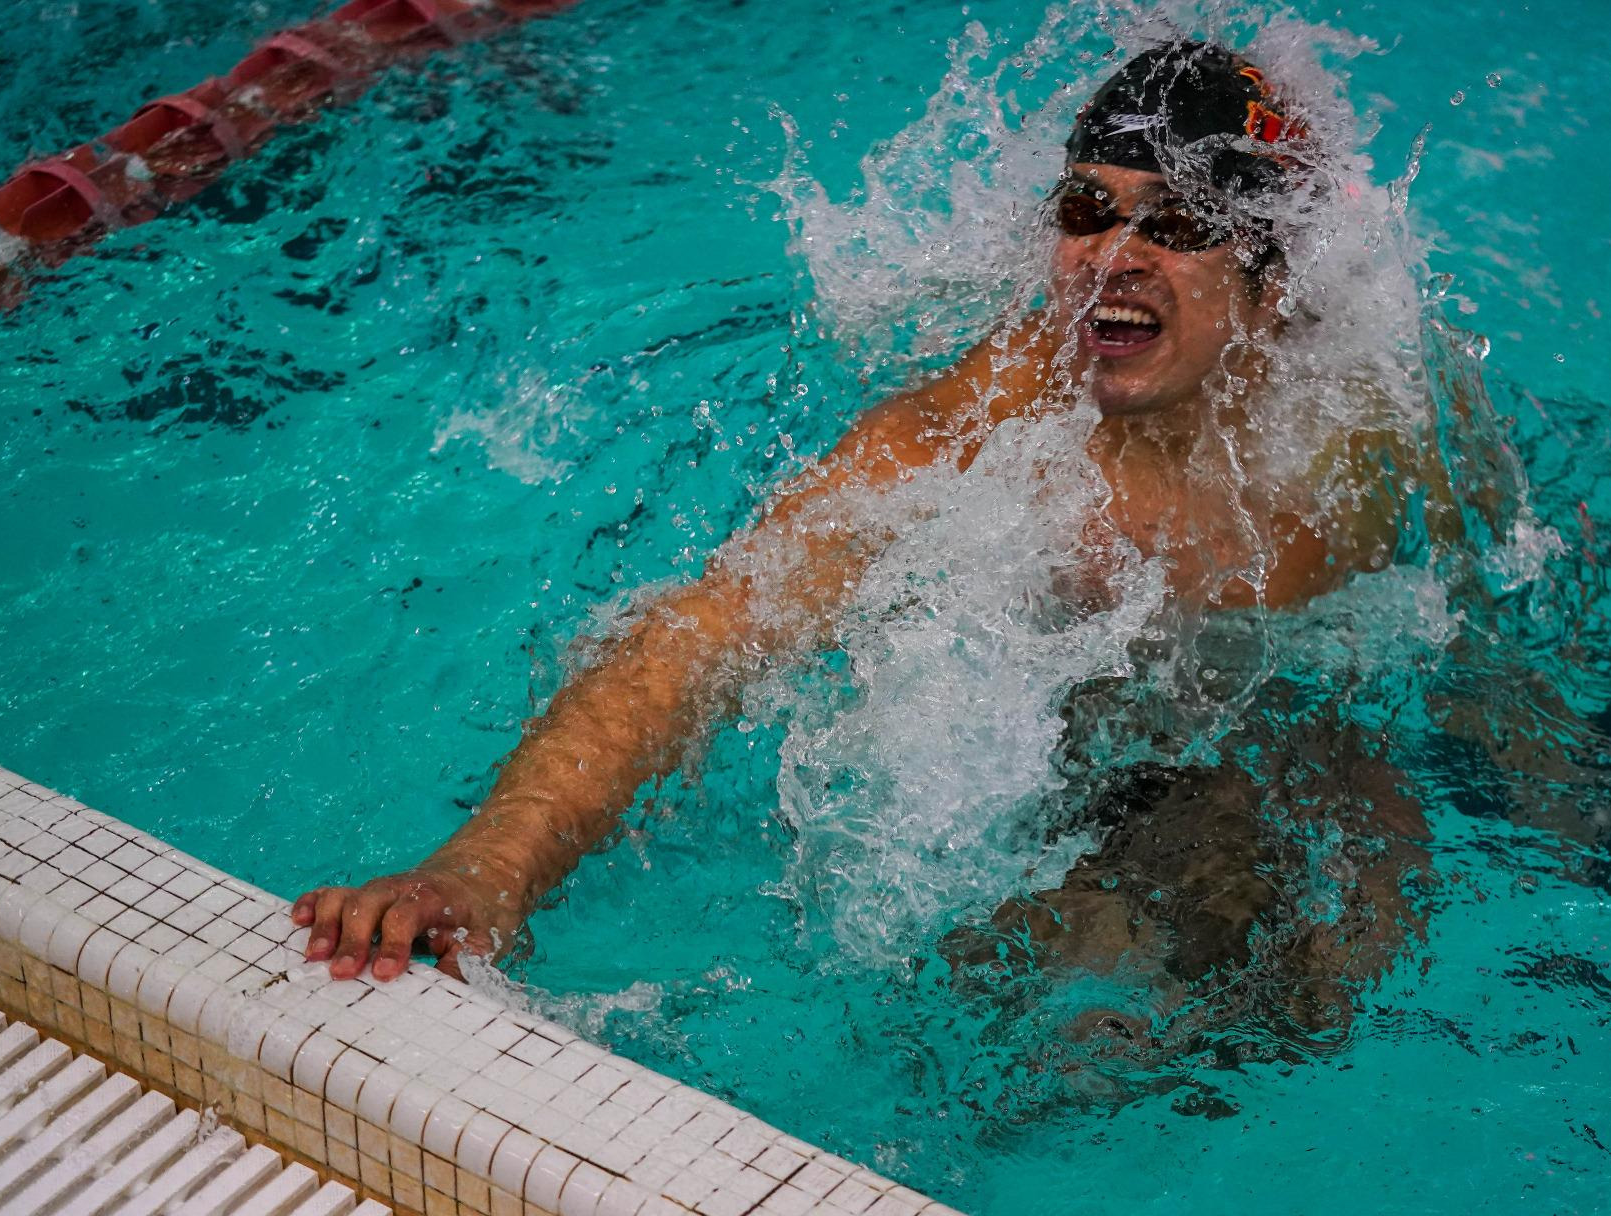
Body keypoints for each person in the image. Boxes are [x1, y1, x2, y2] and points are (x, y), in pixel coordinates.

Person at [293, 40, 1449, 1009]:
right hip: (1091, 741)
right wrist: (486, 869)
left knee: (1315, 984)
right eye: (1086, 210)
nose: (1113, 257)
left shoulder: (1367, 428)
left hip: (1297, 738)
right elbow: (703, 633)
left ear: (1271, 279)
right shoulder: (974, 433)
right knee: (1011, 998)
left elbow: (1484, 618)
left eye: (1176, 222)